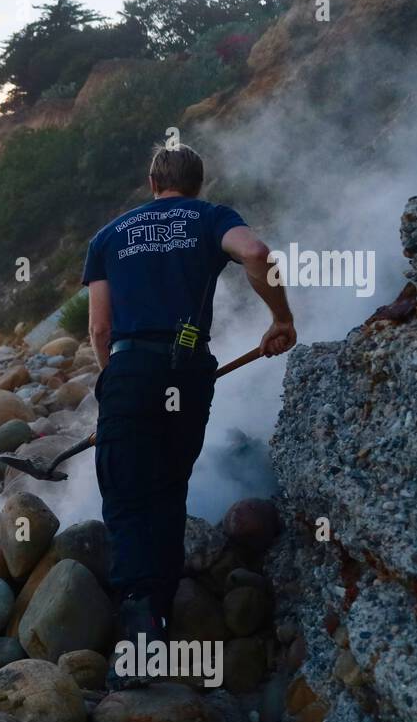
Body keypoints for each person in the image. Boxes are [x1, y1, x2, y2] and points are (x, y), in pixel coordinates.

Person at [83, 143, 296, 655]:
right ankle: (165, 600)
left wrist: (118, 380)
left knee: (128, 491)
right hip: (186, 368)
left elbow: (99, 327)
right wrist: (281, 318)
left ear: (152, 183)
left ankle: (140, 620)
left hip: (131, 367)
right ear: (198, 183)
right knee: (168, 483)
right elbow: (257, 253)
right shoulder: (210, 217)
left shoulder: (109, 235)